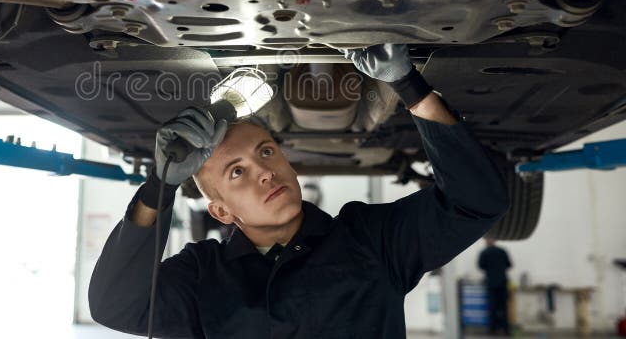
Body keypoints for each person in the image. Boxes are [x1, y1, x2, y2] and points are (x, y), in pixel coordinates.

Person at [89, 44, 510, 338]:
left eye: (266, 152)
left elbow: (477, 202)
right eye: (237, 173)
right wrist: (160, 186)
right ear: (219, 211)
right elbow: (115, 306)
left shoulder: (370, 239)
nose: (265, 173)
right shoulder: (202, 275)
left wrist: (409, 85)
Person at [478, 238, 513, 336]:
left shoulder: (484, 252)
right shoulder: (502, 251)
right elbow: (509, 265)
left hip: (491, 283)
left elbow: (480, 266)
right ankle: (505, 330)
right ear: (495, 241)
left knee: (492, 307)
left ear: (487, 242)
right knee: (503, 308)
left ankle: (492, 330)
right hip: (502, 283)